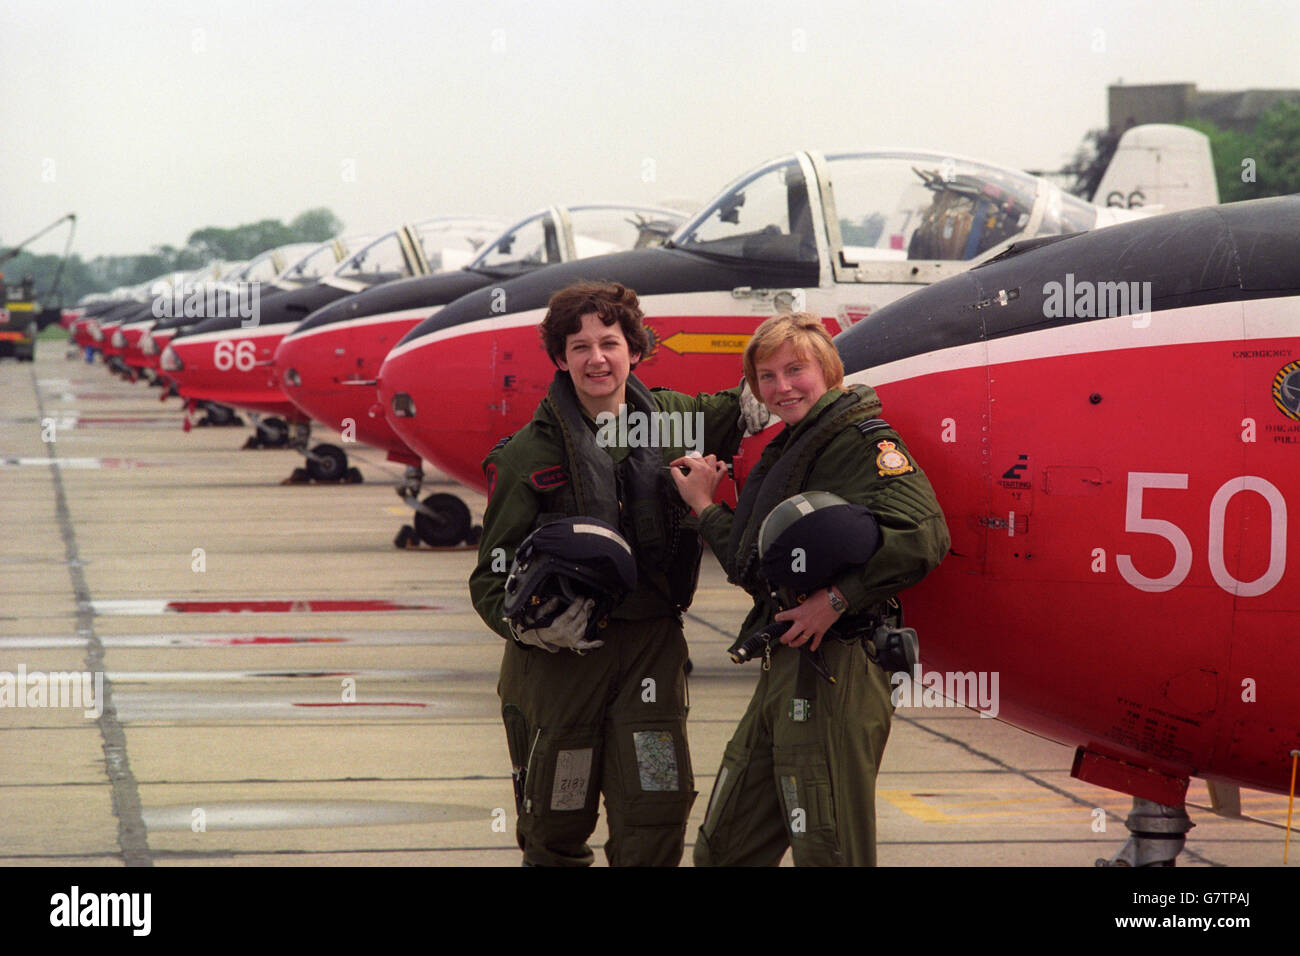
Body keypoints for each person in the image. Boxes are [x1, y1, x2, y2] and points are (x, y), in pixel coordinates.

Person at [468, 280, 756, 867]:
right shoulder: (528, 455)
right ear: (559, 359)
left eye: (610, 342)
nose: (596, 358)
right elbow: (490, 577)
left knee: (656, 805)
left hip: (651, 645)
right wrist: (530, 629)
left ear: (635, 350)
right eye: (579, 347)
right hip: (559, 660)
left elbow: (762, 395)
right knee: (556, 812)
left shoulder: (679, 422)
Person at [671, 311, 950, 866]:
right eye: (767, 377)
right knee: (725, 847)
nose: (782, 387)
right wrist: (705, 506)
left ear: (827, 370)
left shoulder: (861, 442)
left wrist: (837, 600)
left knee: (830, 849)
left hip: (838, 664)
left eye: (795, 370)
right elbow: (758, 566)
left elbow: (924, 535)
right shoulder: (794, 447)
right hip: (786, 663)